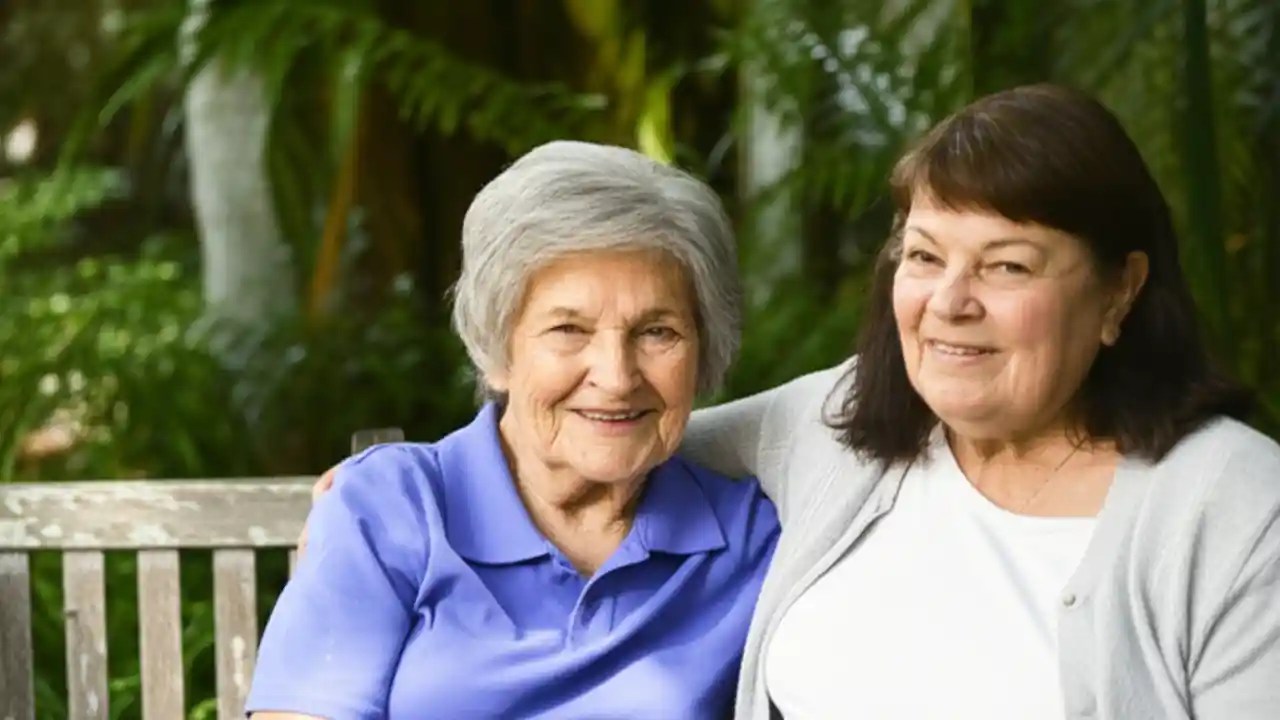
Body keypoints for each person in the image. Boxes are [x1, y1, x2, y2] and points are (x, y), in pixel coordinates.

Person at [307, 84, 1280, 719]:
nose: (951, 304)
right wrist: (398, 492)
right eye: (924, 258)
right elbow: (604, 419)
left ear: (1117, 290)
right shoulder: (842, 432)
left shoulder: (1227, 506)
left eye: (1007, 266)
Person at [247, 140, 780, 719]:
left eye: (657, 332)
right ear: (497, 351)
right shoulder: (390, 507)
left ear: (703, 355)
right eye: (569, 330)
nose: (617, 376)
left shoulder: (751, 540)